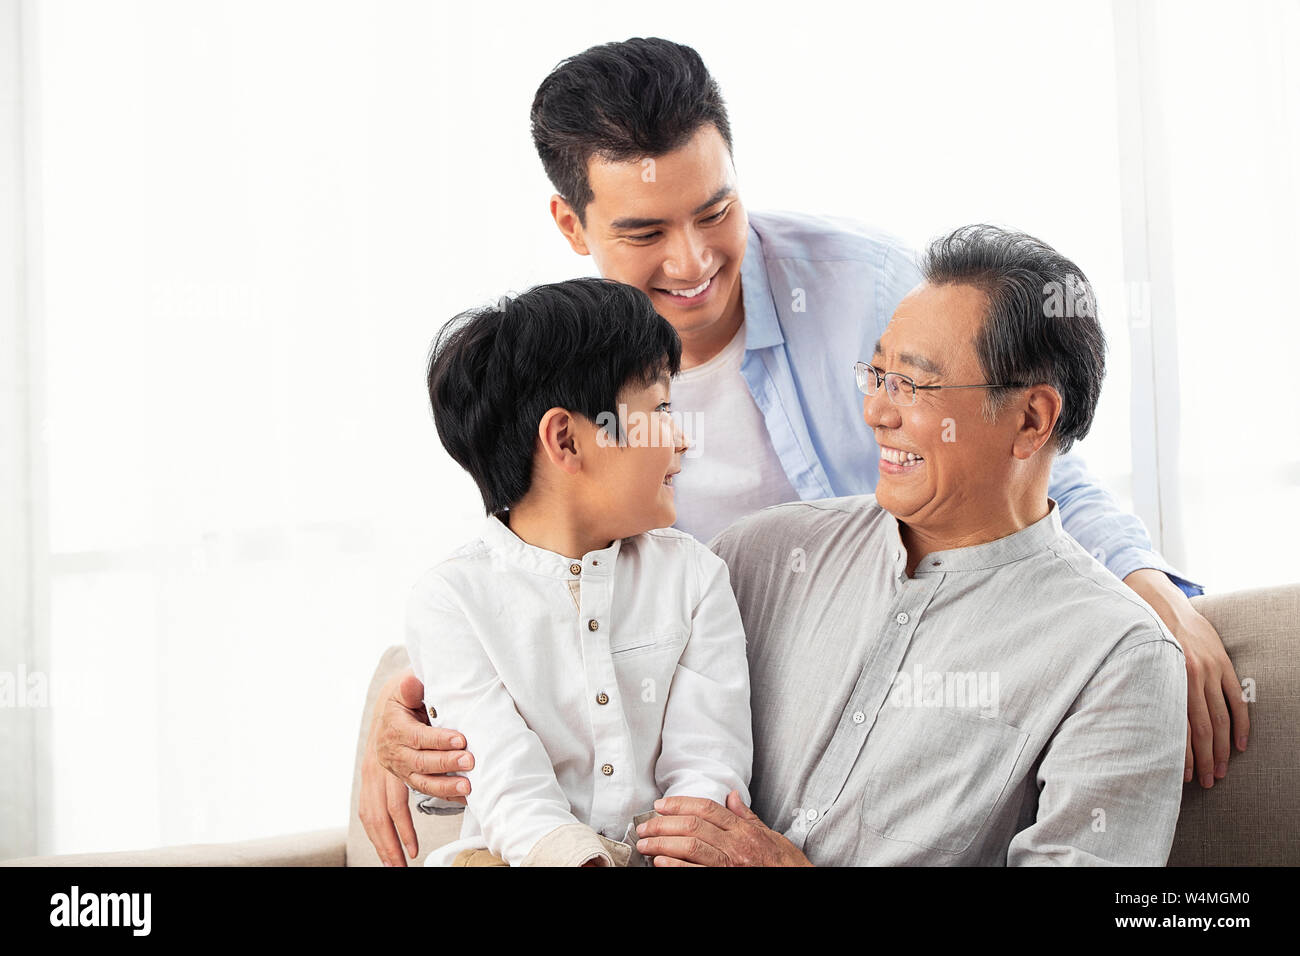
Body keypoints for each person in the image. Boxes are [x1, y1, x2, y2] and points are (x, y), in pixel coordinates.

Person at [358, 38, 1246, 866]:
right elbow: (540, 563)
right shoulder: (736, 542)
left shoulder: (865, 285)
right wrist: (413, 673)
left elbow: (1036, 456)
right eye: (644, 233)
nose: (694, 258)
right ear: (571, 223)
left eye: (716, 211)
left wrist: (1148, 589)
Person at [630, 225, 1187, 864]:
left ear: (1031, 420)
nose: (875, 411)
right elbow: (592, 681)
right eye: (876, 373)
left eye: (912, 386)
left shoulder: (1118, 657)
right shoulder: (758, 555)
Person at [408, 277, 751, 866]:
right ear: (566, 439)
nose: (681, 441)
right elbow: (508, 783)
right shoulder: (452, 600)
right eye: (660, 410)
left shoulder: (695, 578)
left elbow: (708, 760)